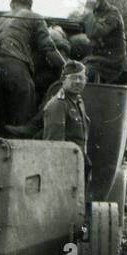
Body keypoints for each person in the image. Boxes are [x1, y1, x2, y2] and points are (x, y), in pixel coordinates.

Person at [0, 0, 67, 130]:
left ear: (12, 4)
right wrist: (66, 68)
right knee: (25, 110)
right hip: (14, 65)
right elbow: (48, 48)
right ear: (30, 6)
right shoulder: (34, 17)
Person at [43, 59, 91, 189]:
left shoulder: (78, 101)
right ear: (63, 80)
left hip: (78, 162)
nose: (78, 82)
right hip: (65, 166)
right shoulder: (59, 104)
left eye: (81, 78)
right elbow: (55, 144)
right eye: (73, 78)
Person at [75, 0, 127, 83]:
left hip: (111, 64)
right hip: (97, 59)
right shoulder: (94, 13)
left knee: (82, 74)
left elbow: (94, 32)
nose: (90, 1)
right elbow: (80, 27)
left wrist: (88, 12)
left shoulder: (113, 14)